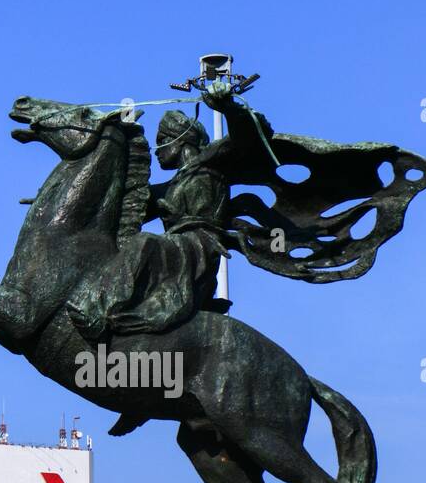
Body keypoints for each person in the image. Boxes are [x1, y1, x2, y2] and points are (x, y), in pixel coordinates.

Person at [66, 83, 278, 342]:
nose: (157, 151)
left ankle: (94, 312)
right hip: (175, 251)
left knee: (143, 243)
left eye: (162, 142)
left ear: (182, 139)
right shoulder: (168, 189)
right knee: (137, 246)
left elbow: (252, 137)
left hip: (199, 249)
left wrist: (228, 107)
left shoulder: (215, 162)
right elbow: (117, 208)